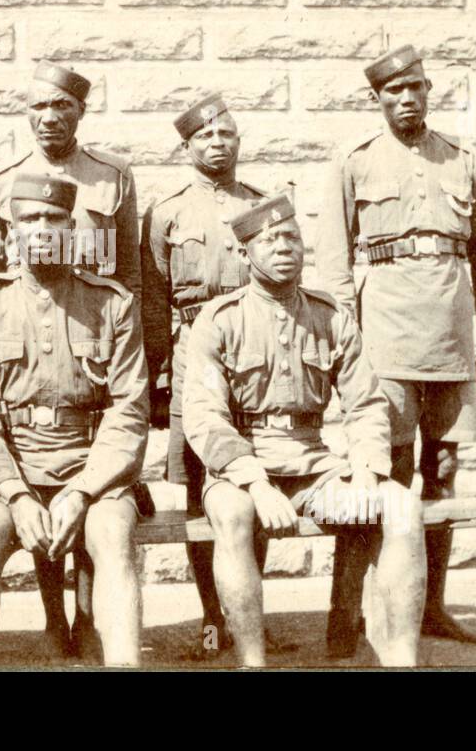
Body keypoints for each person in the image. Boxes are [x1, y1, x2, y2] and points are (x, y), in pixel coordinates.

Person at [182, 189, 426, 667]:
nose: (284, 247)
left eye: (291, 236)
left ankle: (403, 660)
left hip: (314, 466)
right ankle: (252, 661)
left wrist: (365, 473)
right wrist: (255, 482)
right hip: (241, 471)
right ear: (245, 252)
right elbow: (204, 415)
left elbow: (367, 404)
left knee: (401, 506)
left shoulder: (329, 315)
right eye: (269, 240)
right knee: (233, 516)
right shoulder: (218, 320)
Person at [318, 45, 476, 650]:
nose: (407, 100)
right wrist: (344, 351)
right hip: (388, 342)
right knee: (382, 475)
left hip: (451, 340)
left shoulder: (463, 161)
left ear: (429, 91)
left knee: (444, 472)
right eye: (394, 92)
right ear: (377, 100)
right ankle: (349, 613)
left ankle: (431, 607)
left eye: (417, 88)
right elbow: (332, 263)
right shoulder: (354, 163)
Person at [0, 174, 148, 667]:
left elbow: (129, 410)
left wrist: (82, 490)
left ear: (73, 227)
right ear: (11, 232)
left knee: (112, 535)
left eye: (54, 218)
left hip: (92, 471)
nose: (42, 228)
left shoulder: (112, 304)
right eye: (29, 218)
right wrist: (15, 494)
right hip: (9, 473)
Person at [0, 61, 142, 654]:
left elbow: (130, 273)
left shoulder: (113, 175)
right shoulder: (2, 183)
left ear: (79, 112)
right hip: (30, 332)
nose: (49, 118)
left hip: (98, 328)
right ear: (27, 114)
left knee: (96, 491)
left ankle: (89, 619)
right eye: (38, 108)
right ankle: (55, 620)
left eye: (61, 108)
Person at [140, 93, 268, 652]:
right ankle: (212, 616)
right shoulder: (167, 212)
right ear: (186, 147)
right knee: (196, 490)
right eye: (205, 138)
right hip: (194, 353)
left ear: (239, 141)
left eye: (226, 135)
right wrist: (161, 377)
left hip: (252, 351)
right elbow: (153, 303)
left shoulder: (262, 204)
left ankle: (249, 618)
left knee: (253, 482)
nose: (218, 144)